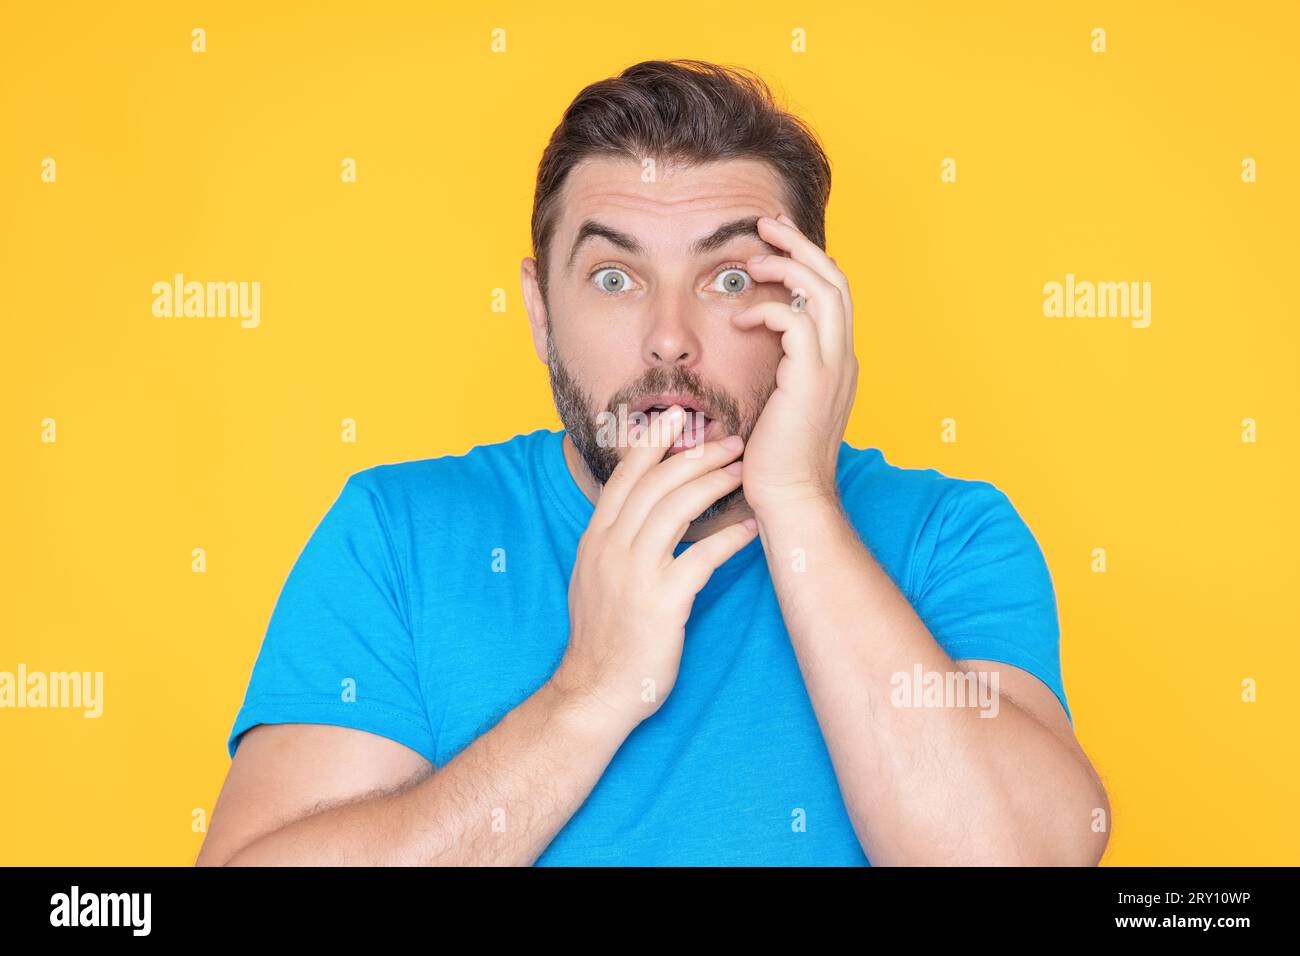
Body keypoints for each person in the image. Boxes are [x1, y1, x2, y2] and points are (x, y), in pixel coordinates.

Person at [197, 59, 1109, 866]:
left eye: (730, 280)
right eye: (613, 279)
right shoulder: (399, 535)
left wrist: (797, 503)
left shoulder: (948, 538)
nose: (669, 341)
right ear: (540, 311)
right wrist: (586, 698)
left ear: (810, 306)